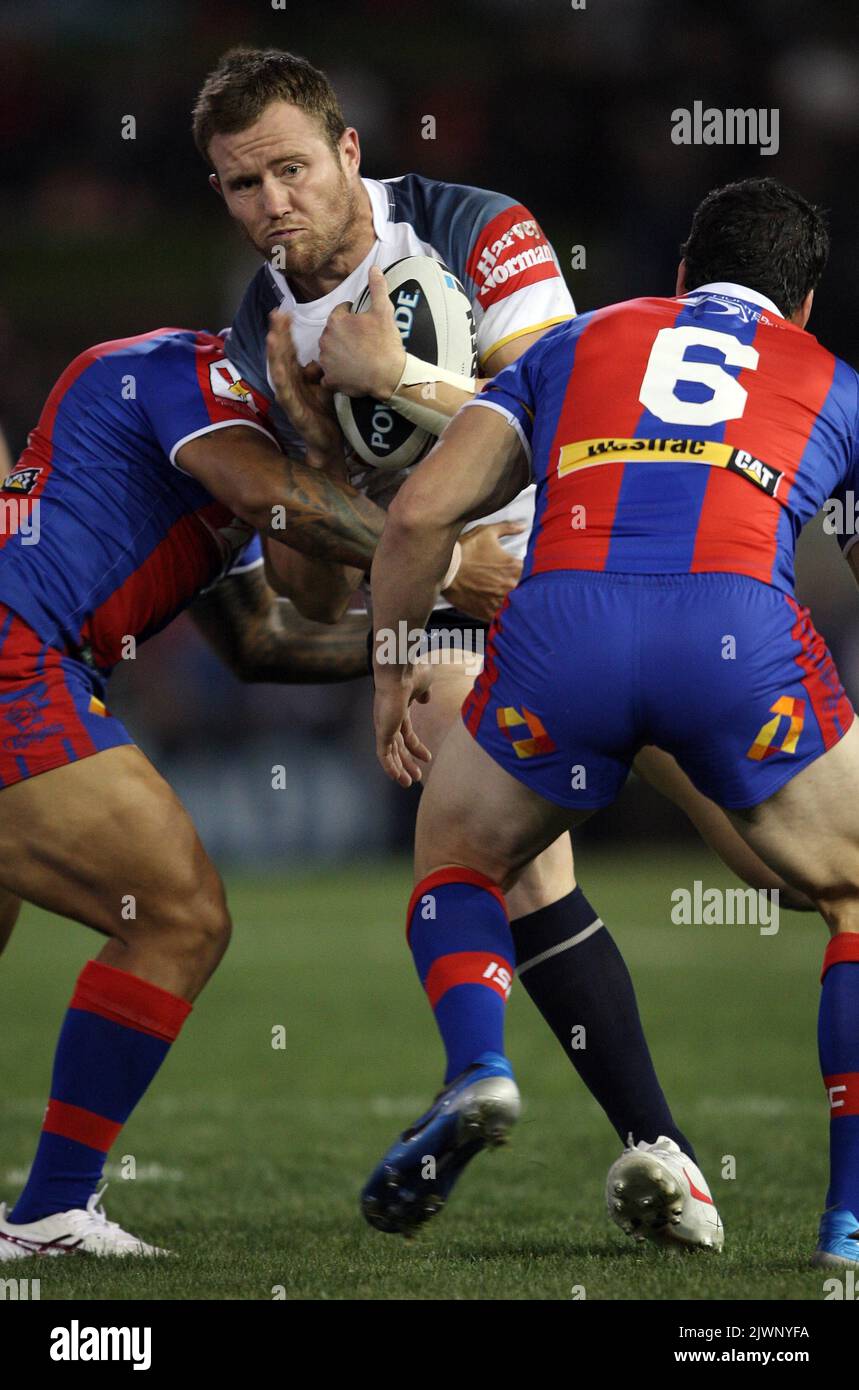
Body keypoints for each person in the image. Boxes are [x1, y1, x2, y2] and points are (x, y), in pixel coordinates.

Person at [192, 48, 818, 1244]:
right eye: (238, 186)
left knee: (776, 870)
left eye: (288, 169)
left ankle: (553, 1104)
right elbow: (305, 576)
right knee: (508, 858)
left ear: (347, 156)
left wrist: (394, 377)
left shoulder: (475, 227)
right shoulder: (259, 319)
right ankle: (647, 1149)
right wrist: (318, 454)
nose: (271, 203)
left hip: (597, 564)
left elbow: (582, 400)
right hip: (456, 603)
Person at [364, 177, 859, 1268]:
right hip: (735, 637)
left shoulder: (577, 342)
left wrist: (390, 669)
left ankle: (478, 1066)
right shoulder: (835, 381)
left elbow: (417, 513)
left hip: (560, 635)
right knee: (849, 894)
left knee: (458, 860)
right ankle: (847, 1226)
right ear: (806, 304)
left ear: (680, 276)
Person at [0, 322, 393, 1260]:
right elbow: (272, 498)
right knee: (178, 917)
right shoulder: (182, 372)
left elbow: (267, 636)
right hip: (18, 658)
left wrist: (430, 644)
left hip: (31, 657)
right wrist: (450, 568)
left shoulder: (244, 445)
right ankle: (54, 1212)